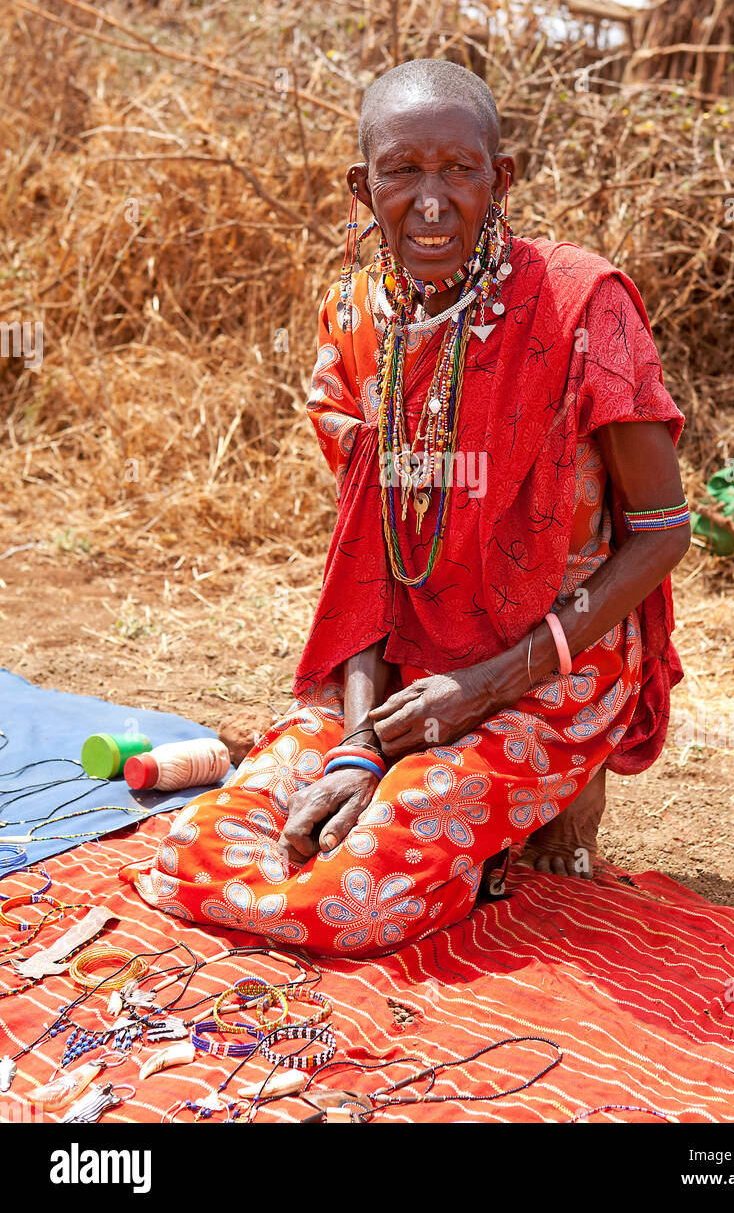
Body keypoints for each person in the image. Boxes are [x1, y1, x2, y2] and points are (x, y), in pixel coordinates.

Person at [124, 59, 690, 957]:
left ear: (500, 178)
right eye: (402, 171)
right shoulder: (354, 319)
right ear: (364, 185)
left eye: (459, 170)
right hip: (390, 668)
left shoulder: (586, 305)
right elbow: (372, 561)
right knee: (196, 850)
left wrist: (486, 687)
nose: (432, 201)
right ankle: (437, 815)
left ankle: (486, 830)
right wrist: (355, 744)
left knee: (350, 897)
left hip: (553, 663)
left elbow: (664, 531)